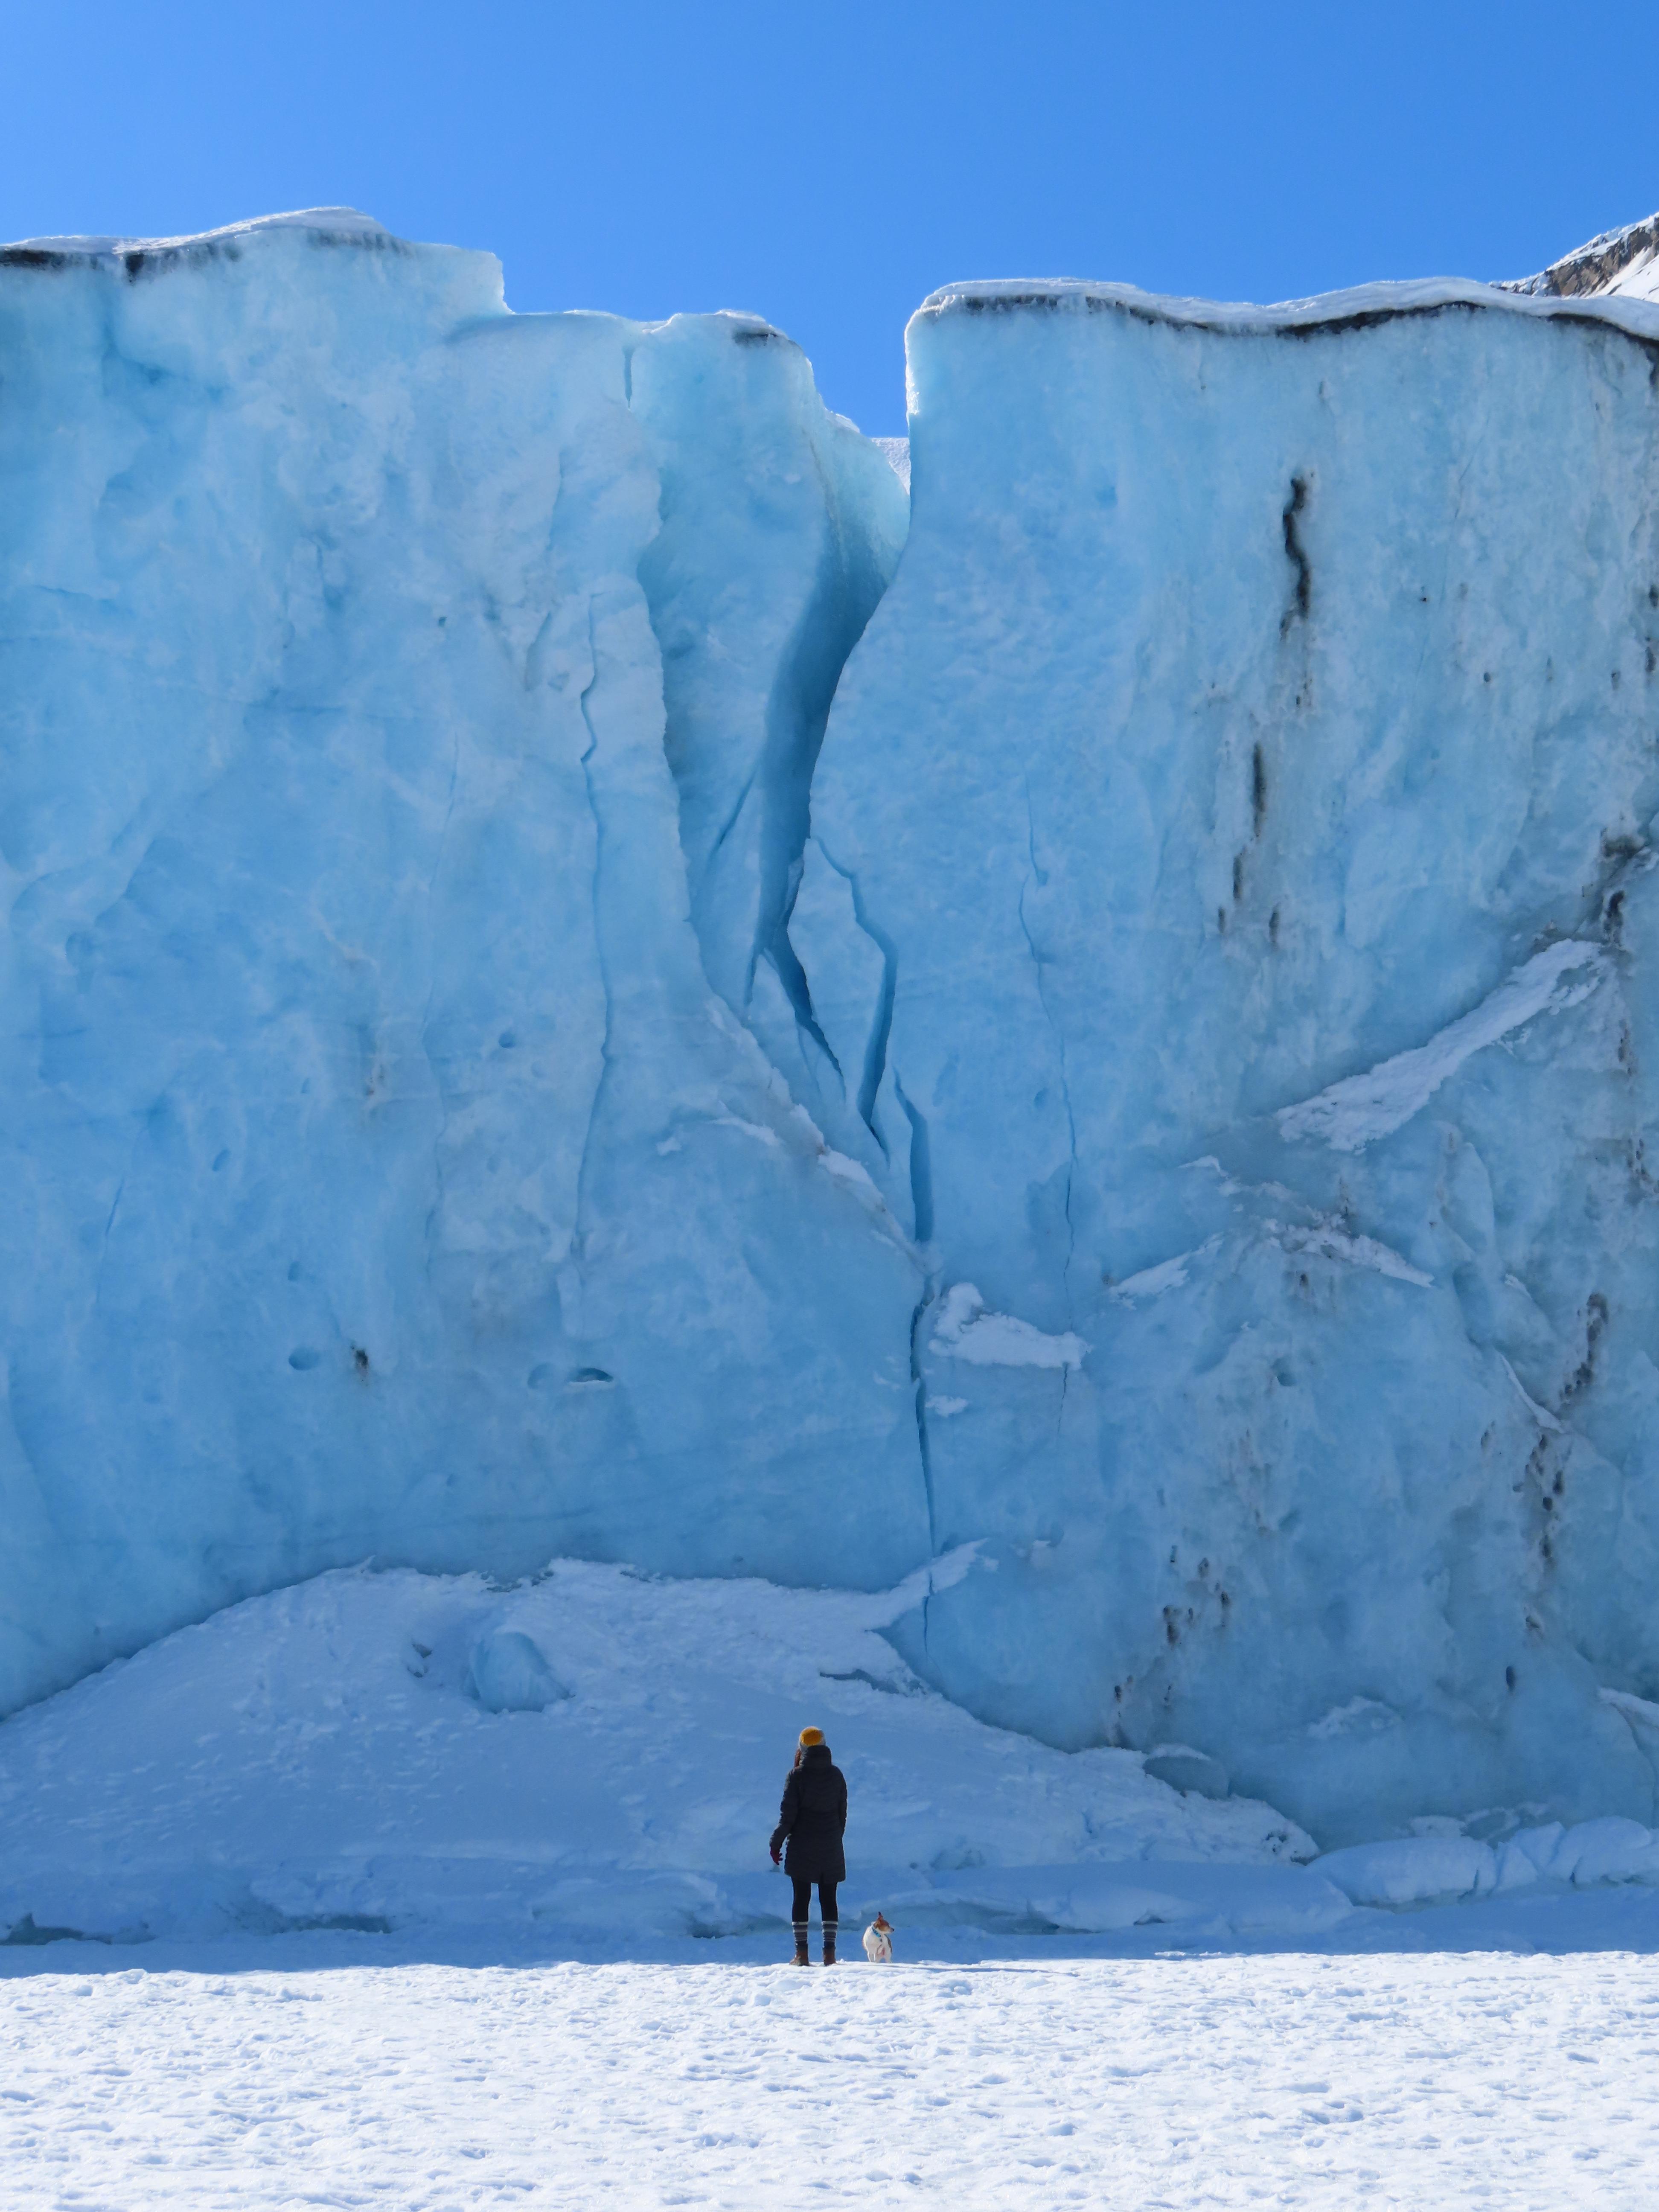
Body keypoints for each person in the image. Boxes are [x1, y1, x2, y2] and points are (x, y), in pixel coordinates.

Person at [769, 1726, 847, 1965]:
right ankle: (830, 1955)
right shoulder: (836, 1775)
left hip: (802, 1846)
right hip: (831, 1844)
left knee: (801, 1898)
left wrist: (776, 1844)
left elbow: (788, 1817)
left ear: (801, 1749)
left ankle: (801, 1955)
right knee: (829, 1899)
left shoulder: (796, 1776)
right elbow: (842, 1814)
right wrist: (834, 1838)